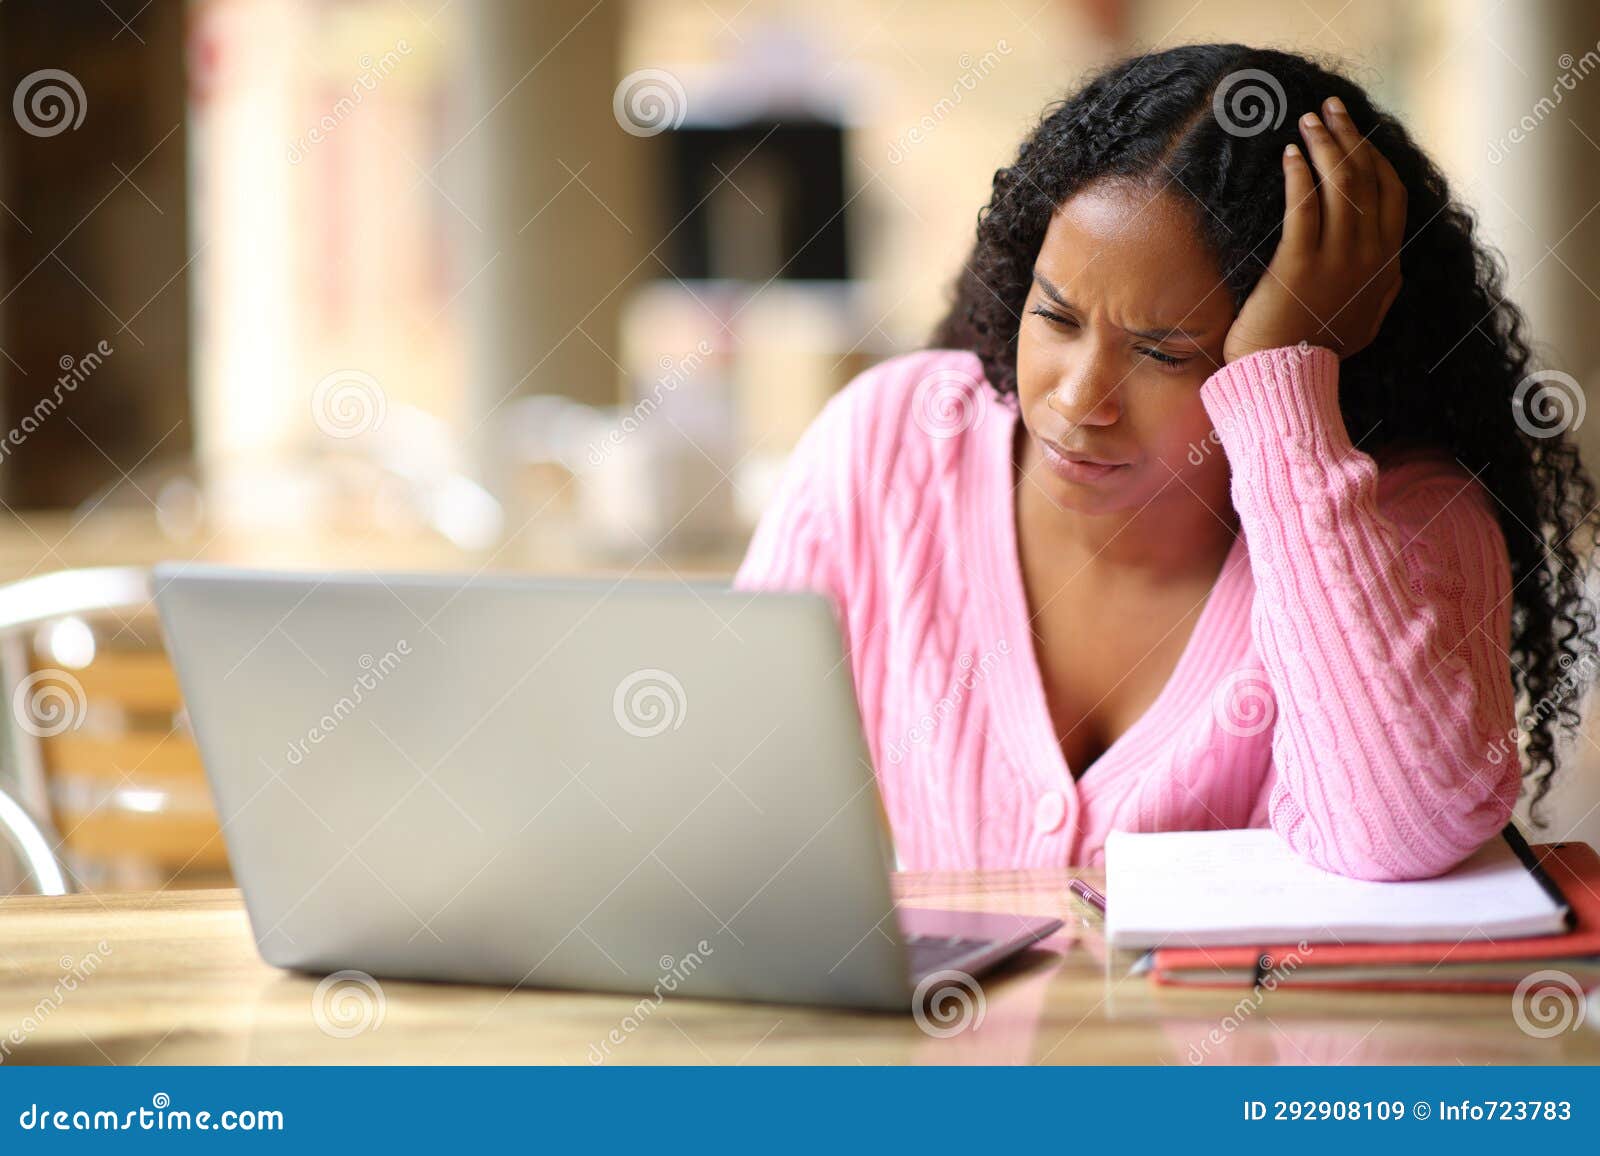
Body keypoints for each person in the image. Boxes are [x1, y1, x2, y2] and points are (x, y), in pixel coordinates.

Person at [733, 44, 1598, 880]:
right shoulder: (890, 441)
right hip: (939, 1031)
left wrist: (1281, 394)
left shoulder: (1416, 522)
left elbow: (1406, 834)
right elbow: (731, 792)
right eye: (1057, 317)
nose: (1077, 402)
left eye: (1163, 353)